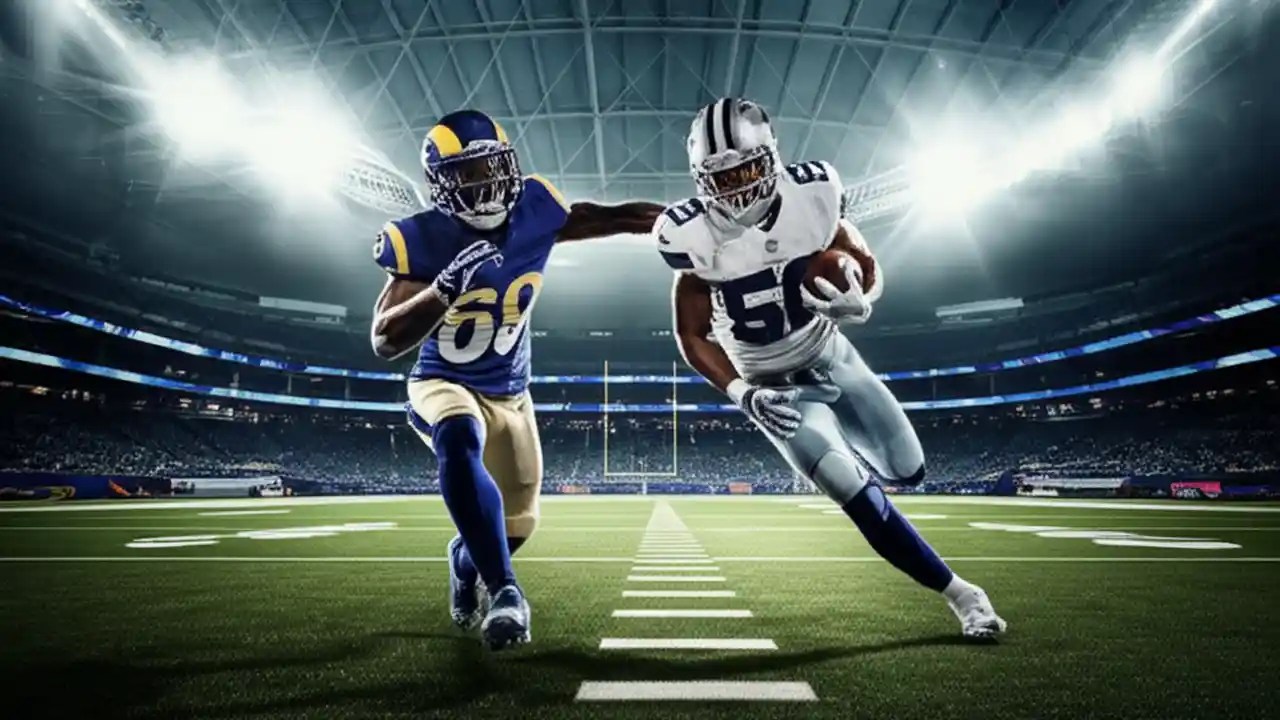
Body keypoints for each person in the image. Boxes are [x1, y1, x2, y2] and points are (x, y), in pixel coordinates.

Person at [655, 98, 1006, 639]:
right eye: (720, 178)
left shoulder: (813, 196)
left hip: (829, 354)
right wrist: (742, 392)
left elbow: (865, 267)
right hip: (772, 389)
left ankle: (869, 459)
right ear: (701, 181)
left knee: (909, 469)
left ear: (771, 158)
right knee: (849, 486)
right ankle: (963, 595)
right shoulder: (691, 237)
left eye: (747, 170)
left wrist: (862, 299)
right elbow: (691, 334)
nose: (736, 189)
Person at [371, 109, 663, 650]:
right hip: (443, 382)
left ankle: (464, 563)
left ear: (509, 165)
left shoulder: (534, 209)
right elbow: (385, 339)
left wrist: (669, 218)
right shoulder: (422, 239)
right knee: (457, 436)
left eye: (490, 169)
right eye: (467, 176)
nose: (483, 187)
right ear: (441, 186)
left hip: (512, 392)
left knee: (517, 528)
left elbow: (601, 217)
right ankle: (505, 593)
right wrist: (440, 291)